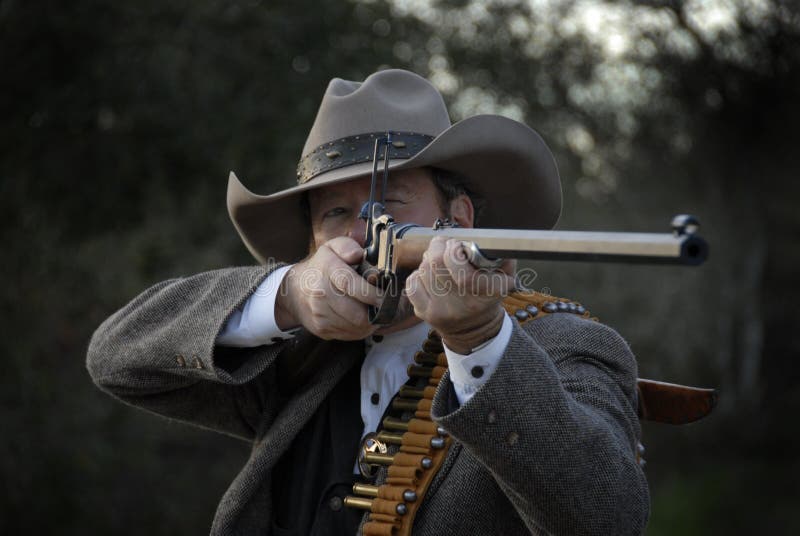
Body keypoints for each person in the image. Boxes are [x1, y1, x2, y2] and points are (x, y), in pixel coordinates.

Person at [87, 69, 649, 535]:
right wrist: (288, 296)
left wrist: (477, 342)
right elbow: (115, 358)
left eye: (391, 202)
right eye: (335, 214)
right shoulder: (301, 359)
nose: (363, 232)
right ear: (311, 244)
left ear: (458, 221)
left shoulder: (564, 343)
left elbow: (607, 520)